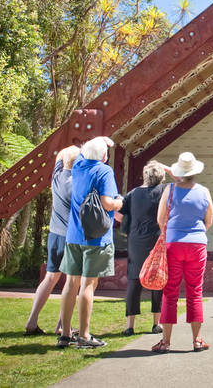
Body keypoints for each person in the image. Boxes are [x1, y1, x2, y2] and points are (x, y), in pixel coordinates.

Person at [57, 136, 123, 349]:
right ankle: (84, 335)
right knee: (87, 285)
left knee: (70, 283)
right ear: (104, 156)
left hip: (73, 235)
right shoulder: (104, 171)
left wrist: (99, 140)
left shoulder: (78, 166)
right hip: (96, 237)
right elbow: (106, 202)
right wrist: (119, 202)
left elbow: (83, 151)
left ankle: (65, 334)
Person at [151, 152, 213, 353]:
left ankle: (166, 341)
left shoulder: (169, 190)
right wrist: (195, 234)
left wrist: (172, 232)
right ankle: (197, 340)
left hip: (173, 243)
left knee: (170, 292)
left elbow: (160, 219)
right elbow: (209, 221)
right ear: (195, 172)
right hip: (197, 244)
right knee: (195, 292)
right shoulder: (204, 191)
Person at [24, 145, 80, 335]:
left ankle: (32, 321)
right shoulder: (78, 185)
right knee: (72, 282)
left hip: (55, 235)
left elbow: (61, 154)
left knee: (50, 278)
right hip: (71, 237)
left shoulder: (56, 178)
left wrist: (69, 150)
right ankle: (62, 325)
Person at [119, 159, 171, 335]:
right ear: (161, 177)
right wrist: (168, 168)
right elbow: (181, 182)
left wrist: (131, 222)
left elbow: (118, 216)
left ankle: (129, 325)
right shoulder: (165, 190)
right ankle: (156, 323)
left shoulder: (133, 194)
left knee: (134, 281)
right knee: (158, 280)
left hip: (136, 241)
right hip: (158, 240)